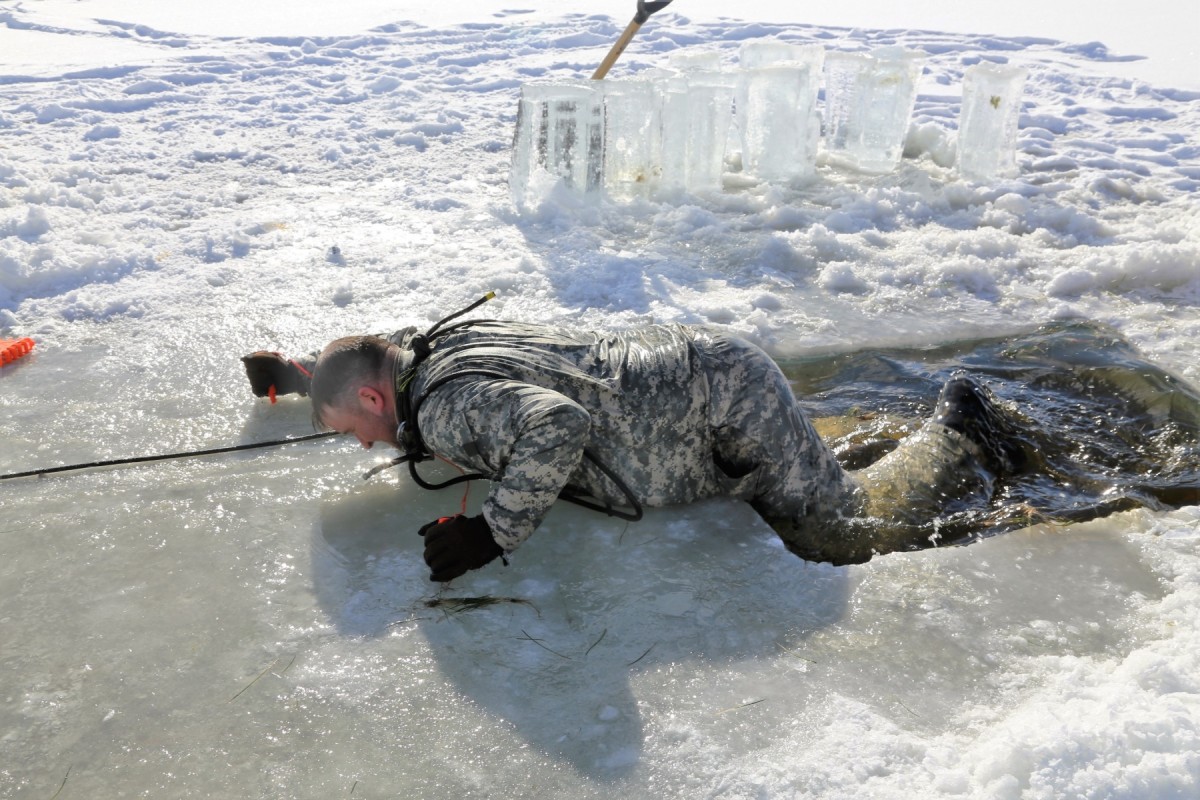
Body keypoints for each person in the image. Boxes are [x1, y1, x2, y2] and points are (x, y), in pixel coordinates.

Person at [242, 297, 1018, 581]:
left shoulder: (444, 407)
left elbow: (556, 423)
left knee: (841, 529)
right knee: (811, 484)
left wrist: (490, 532)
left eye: (354, 429)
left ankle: (958, 429)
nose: (365, 446)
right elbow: (374, 357)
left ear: (374, 397)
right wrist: (307, 378)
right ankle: (888, 441)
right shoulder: (432, 352)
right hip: (703, 374)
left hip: (726, 406)